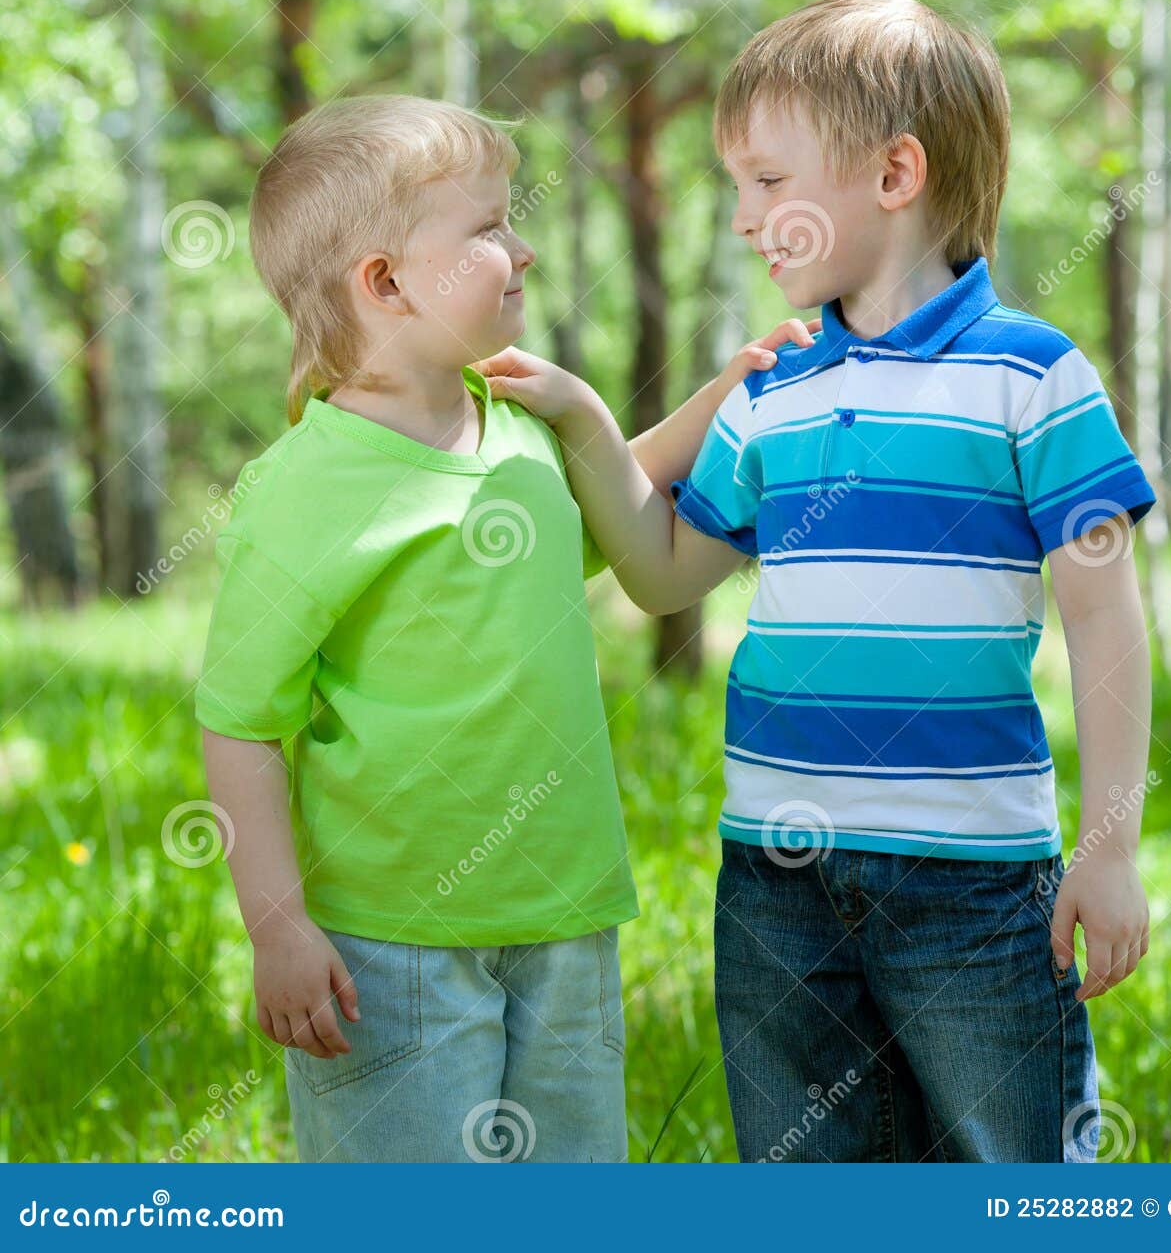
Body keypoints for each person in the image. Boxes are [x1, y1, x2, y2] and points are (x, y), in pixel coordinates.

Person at [483, 0, 1155, 1162]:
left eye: (766, 182)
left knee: (1019, 1173)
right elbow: (663, 572)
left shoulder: (1031, 378)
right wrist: (589, 425)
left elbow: (1104, 622)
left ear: (894, 175)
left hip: (974, 883)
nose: (743, 218)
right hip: (775, 885)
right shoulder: (769, 392)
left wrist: (1107, 844)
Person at [196, 93, 812, 1162]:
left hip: (564, 911)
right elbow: (240, 723)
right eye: (485, 229)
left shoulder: (518, 419)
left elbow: (617, 486)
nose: (520, 246)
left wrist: (730, 390)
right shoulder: (304, 487)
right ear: (383, 283)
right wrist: (278, 926)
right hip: (390, 942)